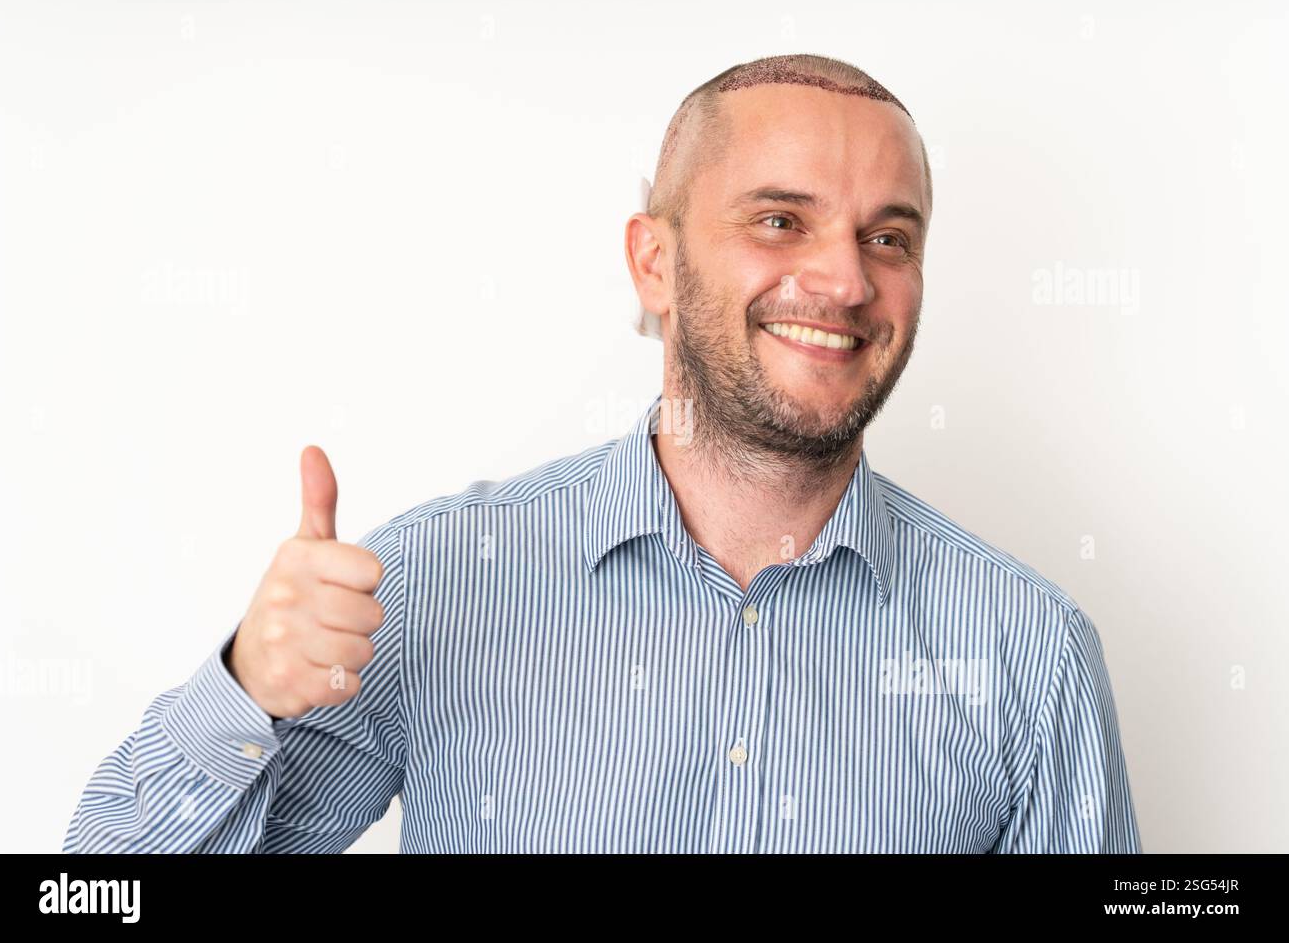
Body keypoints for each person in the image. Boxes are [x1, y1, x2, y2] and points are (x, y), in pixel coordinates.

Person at [64, 53, 1140, 853]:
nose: (846, 280)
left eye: (888, 237)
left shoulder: (1028, 653)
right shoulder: (440, 581)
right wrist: (245, 689)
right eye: (779, 219)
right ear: (655, 262)